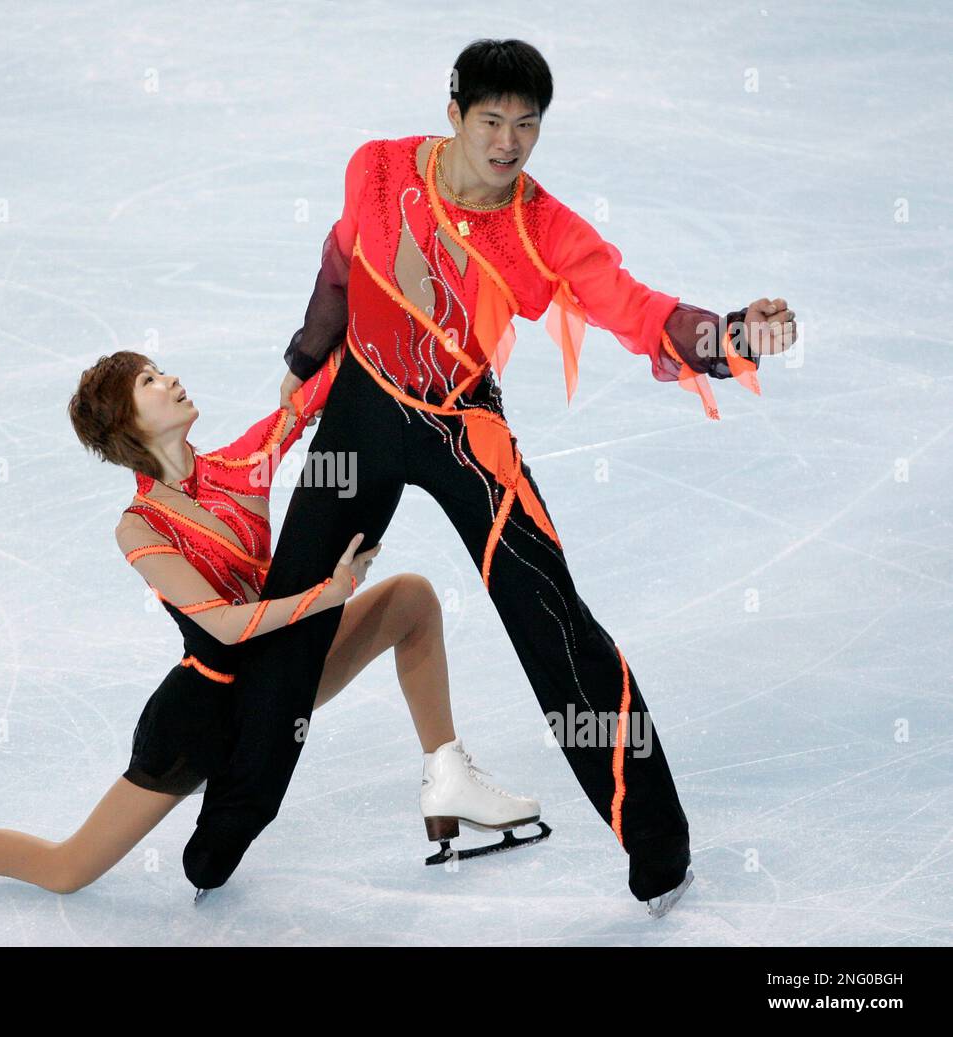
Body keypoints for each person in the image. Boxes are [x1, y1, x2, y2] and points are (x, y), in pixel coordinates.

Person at [182, 37, 799, 917]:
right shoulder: (382, 166)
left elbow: (636, 309)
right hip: (361, 409)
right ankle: (224, 831)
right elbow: (339, 259)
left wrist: (732, 335)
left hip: (465, 430)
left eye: (527, 125)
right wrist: (307, 354)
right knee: (296, 615)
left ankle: (658, 846)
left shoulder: (544, 229)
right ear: (454, 115)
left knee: (553, 620)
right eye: (492, 121)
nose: (508, 142)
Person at [0, 342, 546, 891]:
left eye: (162, 369)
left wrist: (382, 304)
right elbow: (220, 624)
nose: (171, 378)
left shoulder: (244, 462)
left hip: (280, 678)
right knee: (67, 868)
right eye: (151, 380)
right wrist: (329, 594)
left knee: (410, 599)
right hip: (206, 710)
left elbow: (315, 393)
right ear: (128, 422)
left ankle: (446, 777)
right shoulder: (140, 527)